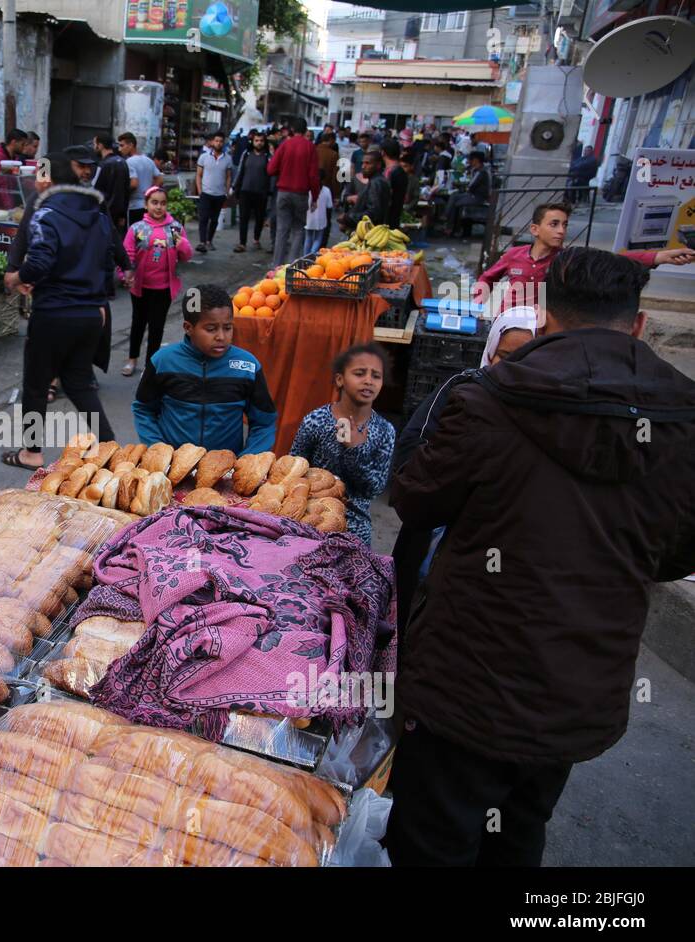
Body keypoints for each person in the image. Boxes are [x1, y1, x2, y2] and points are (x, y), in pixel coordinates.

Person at [385, 248, 695, 867]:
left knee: (430, 838)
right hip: (580, 682)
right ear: (637, 325)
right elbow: (674, 555)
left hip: (464, 679)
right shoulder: (683, 419)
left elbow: (415, 500)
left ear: (547, 318)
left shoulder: (490, 401)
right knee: (518, 830)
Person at [389, 305, 541, 635]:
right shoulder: (463, 389)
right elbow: (412, 445)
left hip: (495, 545)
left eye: (524, 357)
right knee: (412, 610)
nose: (513, 367)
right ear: (490, 351)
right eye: (504, 355)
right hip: (436, 526)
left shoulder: (545, 410)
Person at [1, 152, 117, 470]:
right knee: (79, 382)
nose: (37, 182)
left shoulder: (46, 213)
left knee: (37, 386)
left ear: (51, 180)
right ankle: (110, 448)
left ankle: (31, 452)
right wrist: (100, 303)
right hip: (91, 313)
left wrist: (16, 277)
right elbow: (107, 262)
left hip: (54, 313)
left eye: (41, 176)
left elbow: (39, 260)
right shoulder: (97, 214)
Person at [133, 284, 277, 455]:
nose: (221, 337)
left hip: (224, 472)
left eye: (228, 327)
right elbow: (143, 409)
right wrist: (158, 450)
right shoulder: (162, 361)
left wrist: (246, 460)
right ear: (188, 328)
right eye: (211, 329)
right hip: (172, 470)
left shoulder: (247, 366)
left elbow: (264, 422)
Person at [474, 202, 695, 308]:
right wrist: (478, 304)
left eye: (564, 225)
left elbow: (612, 259)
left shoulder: (569, 258)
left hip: (542, 328)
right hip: (505, 323)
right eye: (554, 224)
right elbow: (487, 278)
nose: (561, 230)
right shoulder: (514, 255)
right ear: (535, 229)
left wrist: (659, 257)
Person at [289, 343, 395, 548]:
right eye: (359, 373)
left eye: (376, 376)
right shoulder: (316, 420)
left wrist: (355, 450)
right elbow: (295, 469)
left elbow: (373, 489)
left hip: (355, 524)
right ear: (340, 379)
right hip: (311, 518)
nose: (368, 381)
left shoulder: (384, 430)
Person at [119, 185, 193, 377]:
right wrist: (124, 275)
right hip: (140, 287)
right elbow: (127, 254)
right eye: (154, 203)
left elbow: (186, 256)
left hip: (164, 288)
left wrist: (182, 244)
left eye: (162, 203)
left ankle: (151, 365)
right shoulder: (137, 228)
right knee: (138, 323)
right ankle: (132, 359)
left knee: (156, 327)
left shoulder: (175, 228)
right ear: (146, 205)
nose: (158, 207)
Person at [267, 116, 321, 267]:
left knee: (281, 230)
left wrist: (282, 171)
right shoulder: (310, 147)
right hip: (301, 194)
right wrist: (315, 197)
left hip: (283, 192)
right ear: (305, 131)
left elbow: (271, 169)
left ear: (291, 130)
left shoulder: (285, 145)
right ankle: (292, 266)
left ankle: (276, 266)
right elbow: (314, 176)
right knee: (298, 230)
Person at [232, 130, 271, 253]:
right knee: (244, 217)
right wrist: (235, 186)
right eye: (256, 141)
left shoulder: (267, 156)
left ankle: (256, 238)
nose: (259, 143)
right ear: (252, 141)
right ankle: (242, 243)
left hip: (261, 192)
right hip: (245, 190)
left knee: (259, 218)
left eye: (261, 141)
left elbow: (271, 174)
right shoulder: (247, 154)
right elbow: (240, 171)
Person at [195, 131, 232, 253]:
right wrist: (200, 190)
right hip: (205, 193)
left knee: (214, 220)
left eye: (221, 141)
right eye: (216, 141)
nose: (218, 143)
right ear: (212, 142)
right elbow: (199, 175)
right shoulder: (204, 157)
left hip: (219, 194)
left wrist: (226, 192)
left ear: (223, 143)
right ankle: (201, 242)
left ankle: (209, 241)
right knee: (203, 218)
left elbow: (228, 177)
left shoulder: (227, 159)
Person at [441, 151, 490, 237]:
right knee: (454, 196)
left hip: (477, 197)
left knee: (456, 203)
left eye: (470, 160)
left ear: (476, 160)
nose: (469, 162)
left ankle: (451, 226)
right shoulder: (476, 170)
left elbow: (471, 185)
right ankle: (448, 221)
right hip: (472, 194)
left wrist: (463, 186)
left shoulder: (481, 172)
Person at [93, 133, 134, 230]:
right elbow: (126, 191)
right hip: (119, 217)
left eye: (95, 144)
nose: (94, 147)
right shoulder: (123, 162)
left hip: (104, 215)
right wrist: (122, 215)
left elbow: (95, 190)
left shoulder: (103, 165)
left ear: (100, 145)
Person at [118, 132, 162, 225]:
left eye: (122, 145)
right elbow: (159, 179)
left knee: (135, 235)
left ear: (130, 145)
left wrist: (122, 191)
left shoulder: (128, 162)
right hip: (148, 206)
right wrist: (150, 193)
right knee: (145, 234)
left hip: (134, 206)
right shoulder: (148, 160)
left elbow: (134, 183)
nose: (120, 149)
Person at [0, 127, 29, 215]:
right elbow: (1, 184)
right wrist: (10, 208)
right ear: (13, 142)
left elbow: (16, 179)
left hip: (7, 204)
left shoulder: (14, 157)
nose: (24, 148)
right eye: (22, 144)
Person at [344, 150, 390, 229]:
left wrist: (349, 217)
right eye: (362, 163)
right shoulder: (376, 181)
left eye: (367, 163)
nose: (363, 166)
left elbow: (374, 212)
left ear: (378, 165)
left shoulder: (376, 183)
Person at [382, 139, 409, 230]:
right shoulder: (400, 171)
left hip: (387, 218)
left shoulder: (390, 172)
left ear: (383, 153)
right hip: (395, 214)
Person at [303, 182, 334, 256]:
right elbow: (329, 205)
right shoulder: (326, 190)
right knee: (318, 239)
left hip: (309, 218)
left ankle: (305, 256)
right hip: (321, 219)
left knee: (308, 238)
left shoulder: (307, 188)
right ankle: (312, 255)